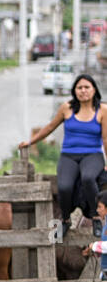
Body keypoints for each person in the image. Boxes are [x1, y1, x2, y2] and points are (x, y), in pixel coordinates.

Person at [19, 73, 107, 231]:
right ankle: (66, 220)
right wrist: (31, 141)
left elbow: (106, 139)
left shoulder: (102, 110)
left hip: (93, 154)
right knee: (64, 186)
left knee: (88, 178)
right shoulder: (67, 108)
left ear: (94, 90)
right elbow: (50, 127)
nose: (83, 91)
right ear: (75, 91)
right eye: (79, 88)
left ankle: (95, 217)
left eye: (87, 87)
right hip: (69, 155)